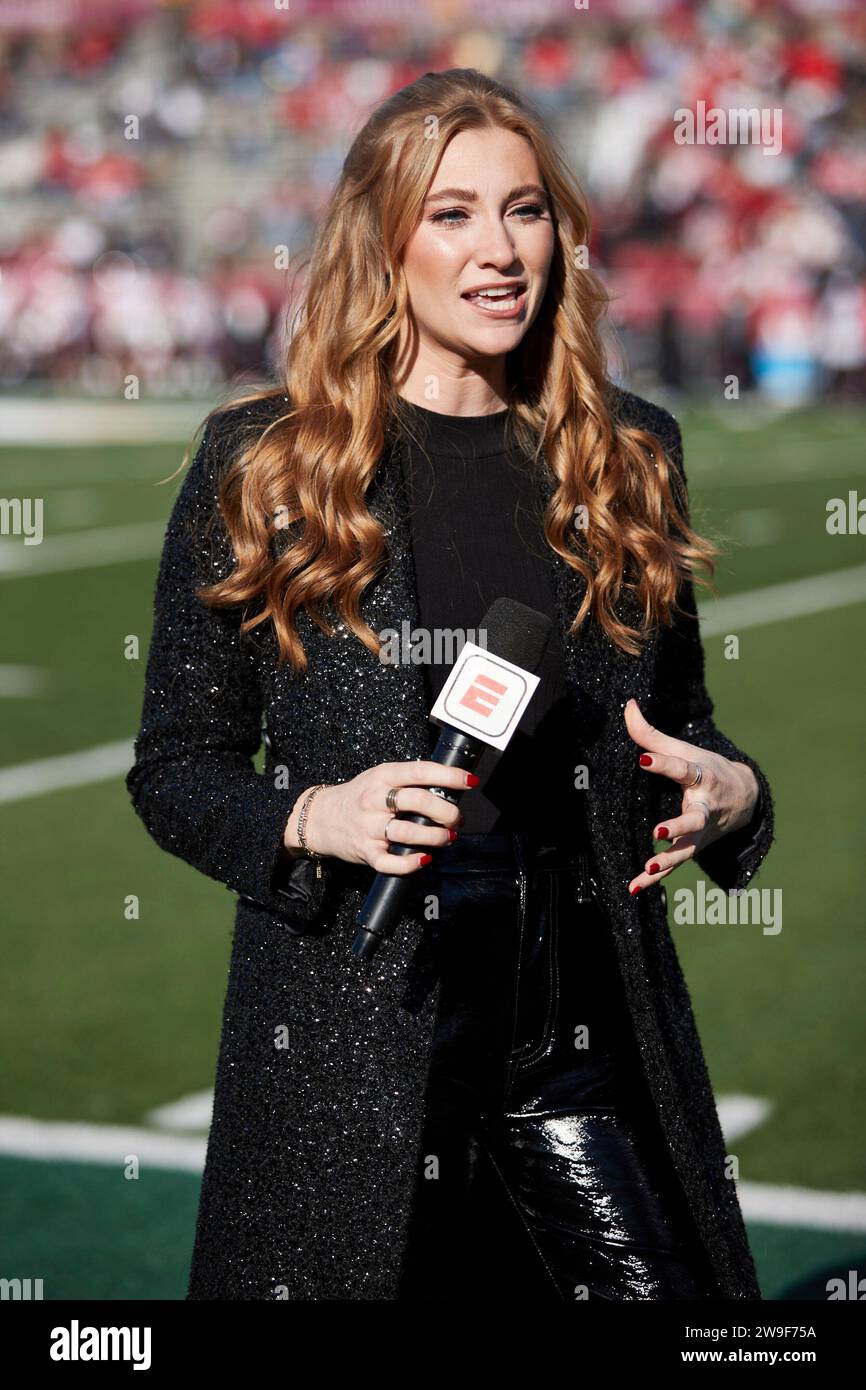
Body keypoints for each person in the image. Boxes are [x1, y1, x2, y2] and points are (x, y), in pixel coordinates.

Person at [126, 68, 774, 1301]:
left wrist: (731, 790)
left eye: (524, 210)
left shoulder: (627, 449)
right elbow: (176, 767)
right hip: (358, 1027)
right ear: (385, 242)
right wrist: (314, 816)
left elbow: (678, 719)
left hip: (580, 1024)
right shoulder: (266, 466)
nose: (499, 250)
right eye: (453, 214)